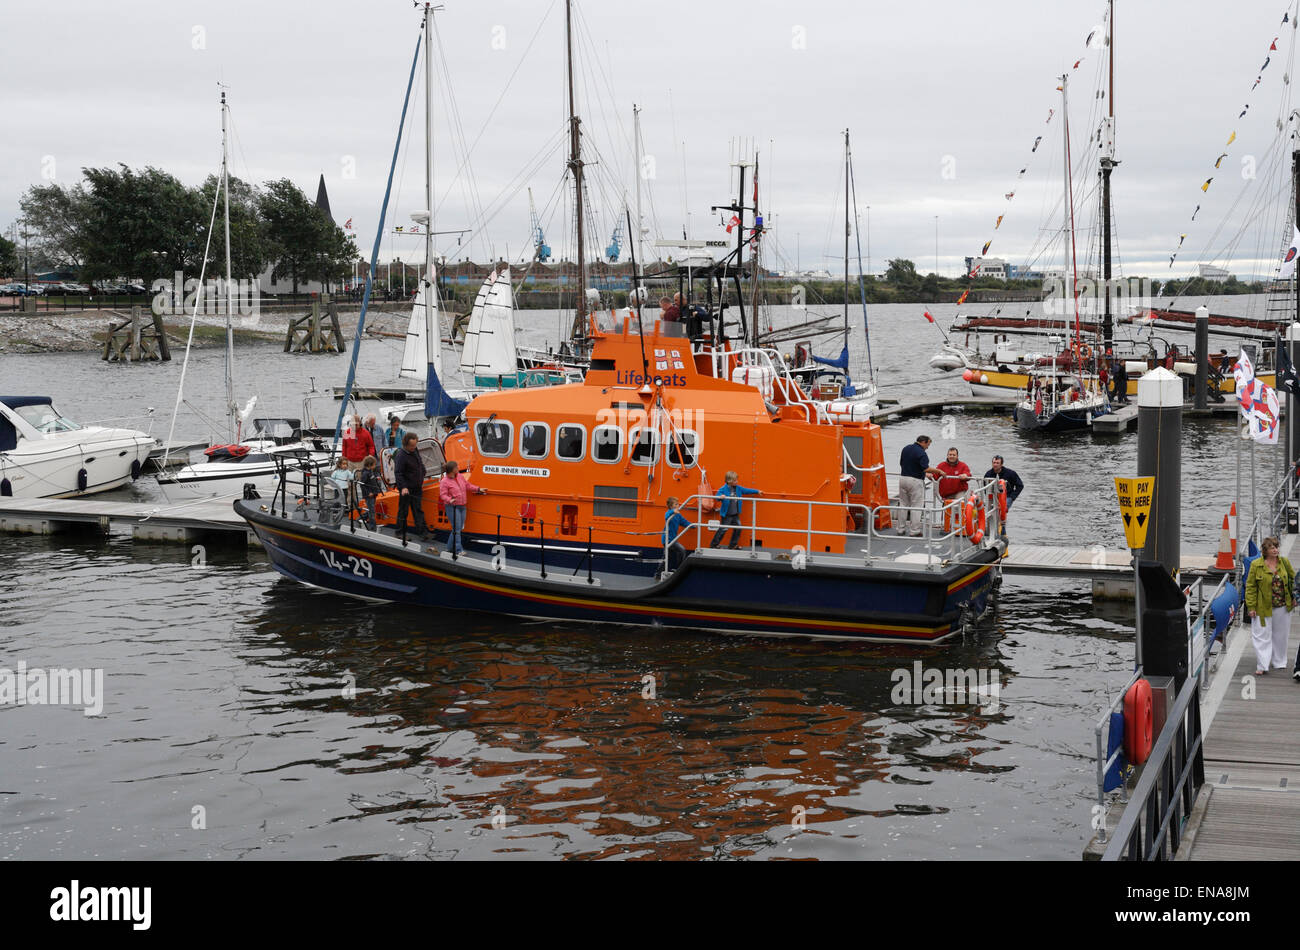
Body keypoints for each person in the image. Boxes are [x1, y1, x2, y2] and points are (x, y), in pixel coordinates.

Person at [1245, 536, 1294, 676]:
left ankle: (1279, 661)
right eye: (1272, 547)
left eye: (1276, 547)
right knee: (1261, 635)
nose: (1275, 550)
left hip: (1283, 605)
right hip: (1262, 606)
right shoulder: (1256, 565)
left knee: (1281, 635)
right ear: (1265, 551)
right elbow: (1250, 587)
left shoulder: (1284, 562)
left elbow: (1294, 579)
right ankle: (1263, 664)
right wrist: (1251, 607)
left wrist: (1295, 596)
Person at [897, 435, 944, 537]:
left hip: (903, 478)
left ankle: (900, 529)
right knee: (916, 506)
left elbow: (902, 463)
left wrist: (921, 473)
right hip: (915, 481)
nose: (928, 447)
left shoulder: (906, 448)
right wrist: (939, 471)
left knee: (903, 504)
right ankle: (914, 530)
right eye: (928, 444)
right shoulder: (922, 453)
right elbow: (926, 468)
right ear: (923, 442)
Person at [439, 459, 486, 556]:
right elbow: (443, 495)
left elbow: (467, 485)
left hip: (462, 506)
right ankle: (458, 549)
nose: (458, 468)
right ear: (452, 470)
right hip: (452, 507)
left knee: (457, 528)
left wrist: (478, 489)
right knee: (457, 528)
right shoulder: (444, 481)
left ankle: (449, 547)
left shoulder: (459, 476)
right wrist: (449, 500)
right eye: (456, 467)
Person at [709, 471, 760, 549]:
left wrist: (757, 491)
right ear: (730, 481)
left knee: (738, 528)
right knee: (723, 529)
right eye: (735, 480)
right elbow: (717, 496)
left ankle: (732, 545)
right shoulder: (723, 489)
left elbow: (747, 490)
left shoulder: (738, 488)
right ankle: (714, 544)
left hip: (735, 514)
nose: (737, 481)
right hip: (727, 514)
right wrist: (720, 496)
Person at [393, 432, 430, 539]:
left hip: (417, 487)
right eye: (412, 446)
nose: (414, 447)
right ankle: (399, 533)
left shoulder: (415, 450)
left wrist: (423, 471)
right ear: (406, 445)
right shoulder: (401, 455)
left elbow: (420, 462)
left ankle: (423, 532)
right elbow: (398, 473)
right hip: (407, 488)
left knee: (418, 510)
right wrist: (403, 487)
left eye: (415, 445)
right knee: (403, 511)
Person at [935, 447, 972, 531]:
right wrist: (929, 475)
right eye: (950, 455)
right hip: (946, 494)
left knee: (959, 506)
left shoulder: (963, 465)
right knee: (947, 511)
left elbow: (968, 474)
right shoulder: (941, 465)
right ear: (947, 455)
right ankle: (947, 526)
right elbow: (935, 475)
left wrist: (965, 476)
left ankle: (960, 527)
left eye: (953, 455)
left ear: (957, 456)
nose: (951, 456)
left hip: (959, 492)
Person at [663, 496, 692, 571]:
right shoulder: (669, 513)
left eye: (678, 504)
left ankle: (659, 573)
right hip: (667, 539)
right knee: (681, 550)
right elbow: (666, 517)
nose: (677, 506)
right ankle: (679, 570)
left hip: (673, 539)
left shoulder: (678, 515)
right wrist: (673, 512)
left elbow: (684, 522)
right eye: (675, 504)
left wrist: (693, 525)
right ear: (670, 506)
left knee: (667, 557)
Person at [357, 454, 383, 529]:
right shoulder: (365, 474)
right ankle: (372, 525)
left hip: (373, 493)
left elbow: (371, 480)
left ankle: (360, 518)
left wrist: (376, 478)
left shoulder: (371, 471)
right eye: (374, 464)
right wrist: (368, 493)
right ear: (370, 465)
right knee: (372, 510)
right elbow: (362, 484)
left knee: (371, 509)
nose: (375, 466)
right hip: (369, 495)